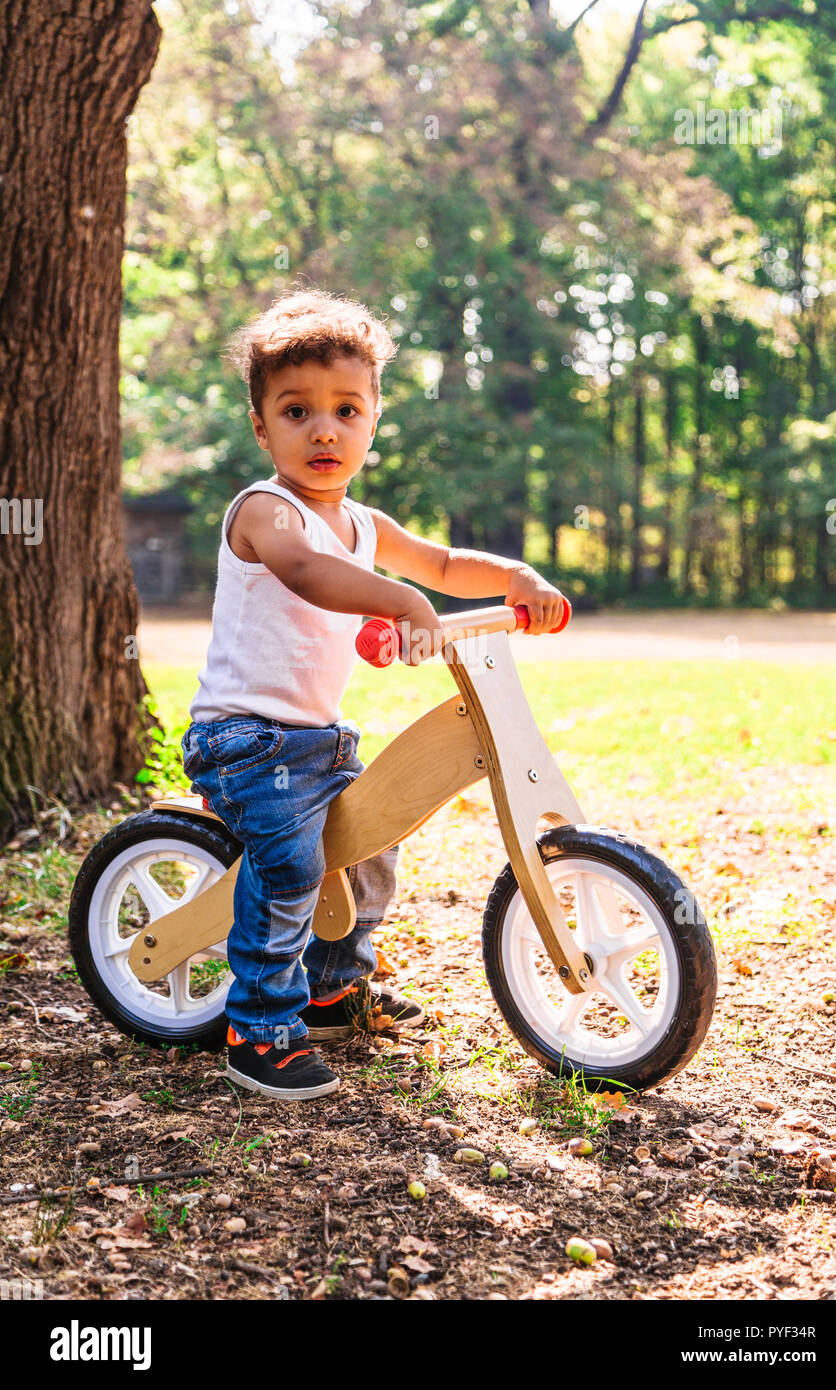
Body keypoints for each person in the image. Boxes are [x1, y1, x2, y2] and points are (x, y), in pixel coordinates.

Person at [180, 285, 567, 1100]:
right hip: (242, 742)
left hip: (315, 741)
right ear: (262, 427)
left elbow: (444, 565)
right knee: (289, 863)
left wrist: (517, 579)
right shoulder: (265, 512)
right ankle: (258, 1028)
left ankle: (329, 987)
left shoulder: (365, 523)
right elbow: (307, 572)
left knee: (374, 840)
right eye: (296, 411)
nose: (324, 428)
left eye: (346, 410)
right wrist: (398, 602)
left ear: (373, 421)